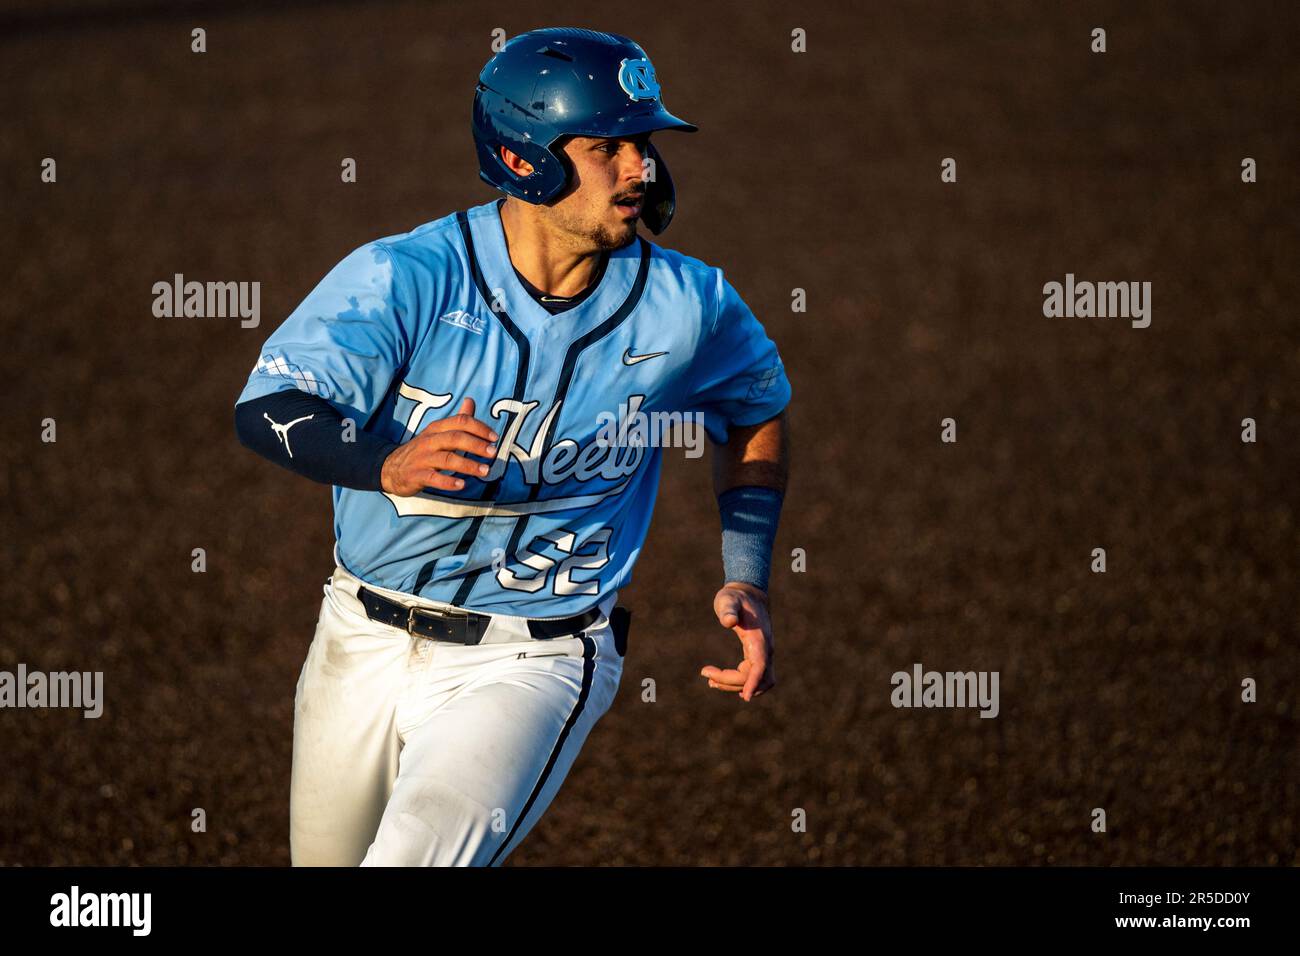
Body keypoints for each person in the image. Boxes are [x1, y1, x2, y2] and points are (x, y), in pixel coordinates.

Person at [233, 26, 791, 866]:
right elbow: (269, 406)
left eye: (643, 144)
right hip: (360, 635)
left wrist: (744, 570)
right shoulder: (406, 276)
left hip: (534, 659)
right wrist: (382, 464)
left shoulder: (691, 306)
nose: (642, 168)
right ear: (530, 158)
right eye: (610, 145)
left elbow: (756, 409)